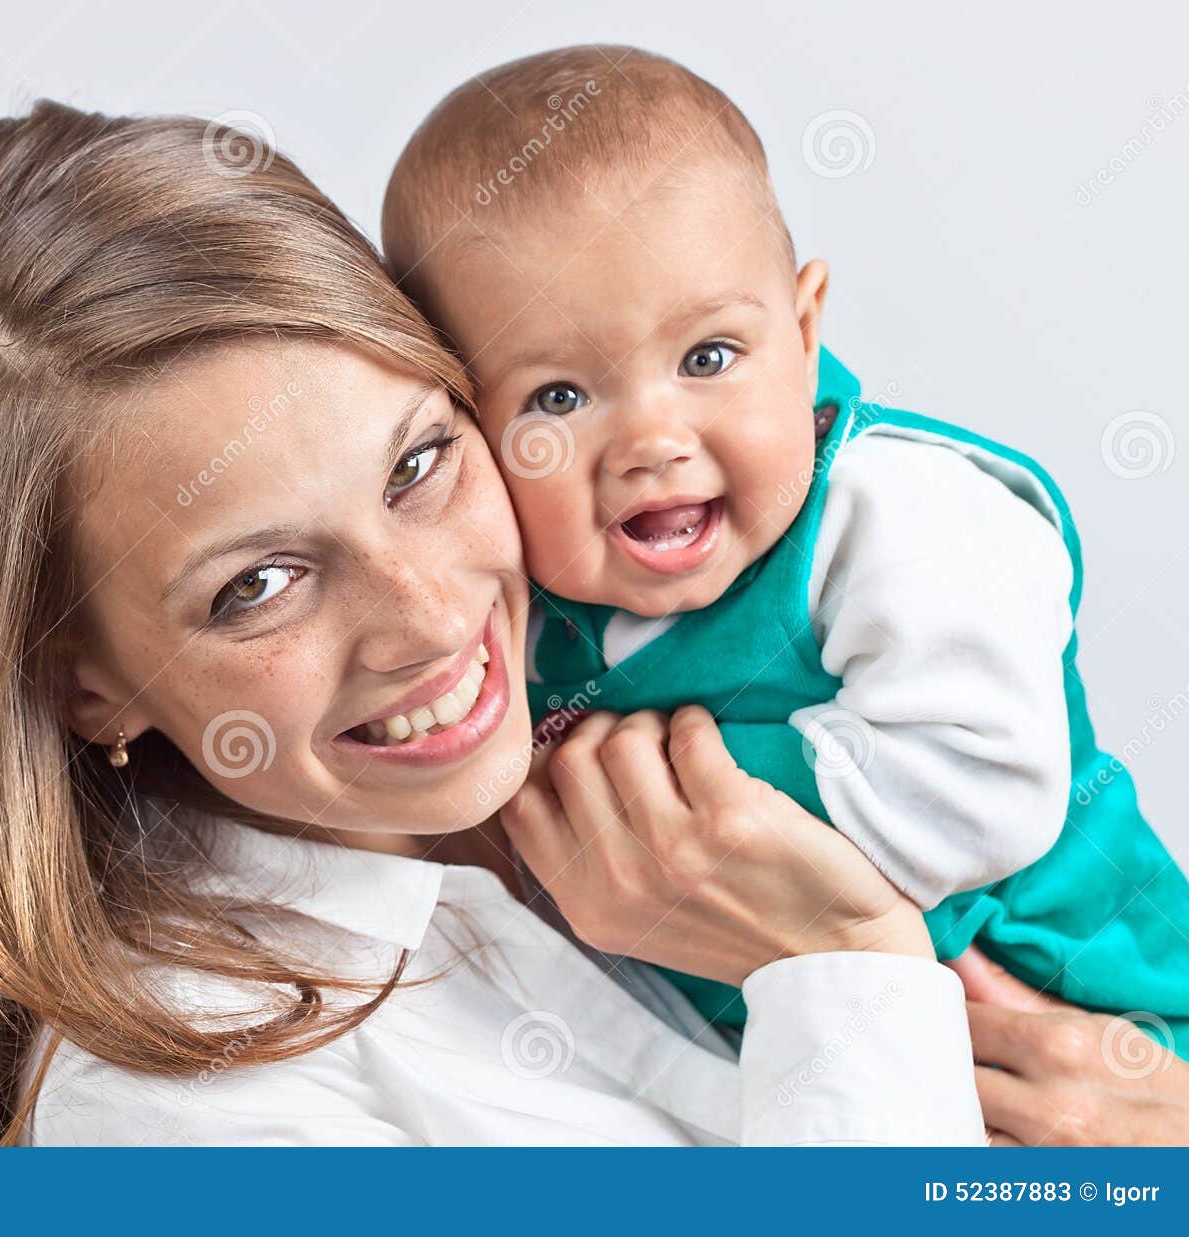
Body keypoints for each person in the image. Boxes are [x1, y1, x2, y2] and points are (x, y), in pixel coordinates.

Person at [0, 101, 1180, 1148]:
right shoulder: (185, 1123)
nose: (430, 615)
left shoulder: (667, 666)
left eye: (419, 463)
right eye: (255, 583)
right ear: (85, 684)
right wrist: (845, 965)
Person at [380, 44, 1189, 1049]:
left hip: (1091, 1003)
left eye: (707, 357)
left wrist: (664, 805)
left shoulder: (899, 510)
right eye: (558, 397)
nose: (651, 440)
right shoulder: (531, 603)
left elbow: (982, 781)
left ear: (805, 334)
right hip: (817, 1057)